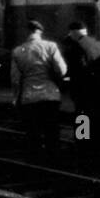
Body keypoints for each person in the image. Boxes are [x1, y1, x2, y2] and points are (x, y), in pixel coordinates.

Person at [10, 20, 67, 157]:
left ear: (27, 32)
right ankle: (53, 157)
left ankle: (35, 158)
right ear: (40, 32)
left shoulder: (18, 51)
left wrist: (16, 98)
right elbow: (62, 70)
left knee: (33, 131)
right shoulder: (51, 46)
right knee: (52, 130)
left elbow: (15, 79)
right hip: (50, 95)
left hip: (29, 97)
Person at [63, 21, 100, 154]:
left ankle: (82, 145)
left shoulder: (76, 47)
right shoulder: (99, 45)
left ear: (73, 33)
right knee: (99, 118)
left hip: (82, 90)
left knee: (82, 117)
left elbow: (76, 69)